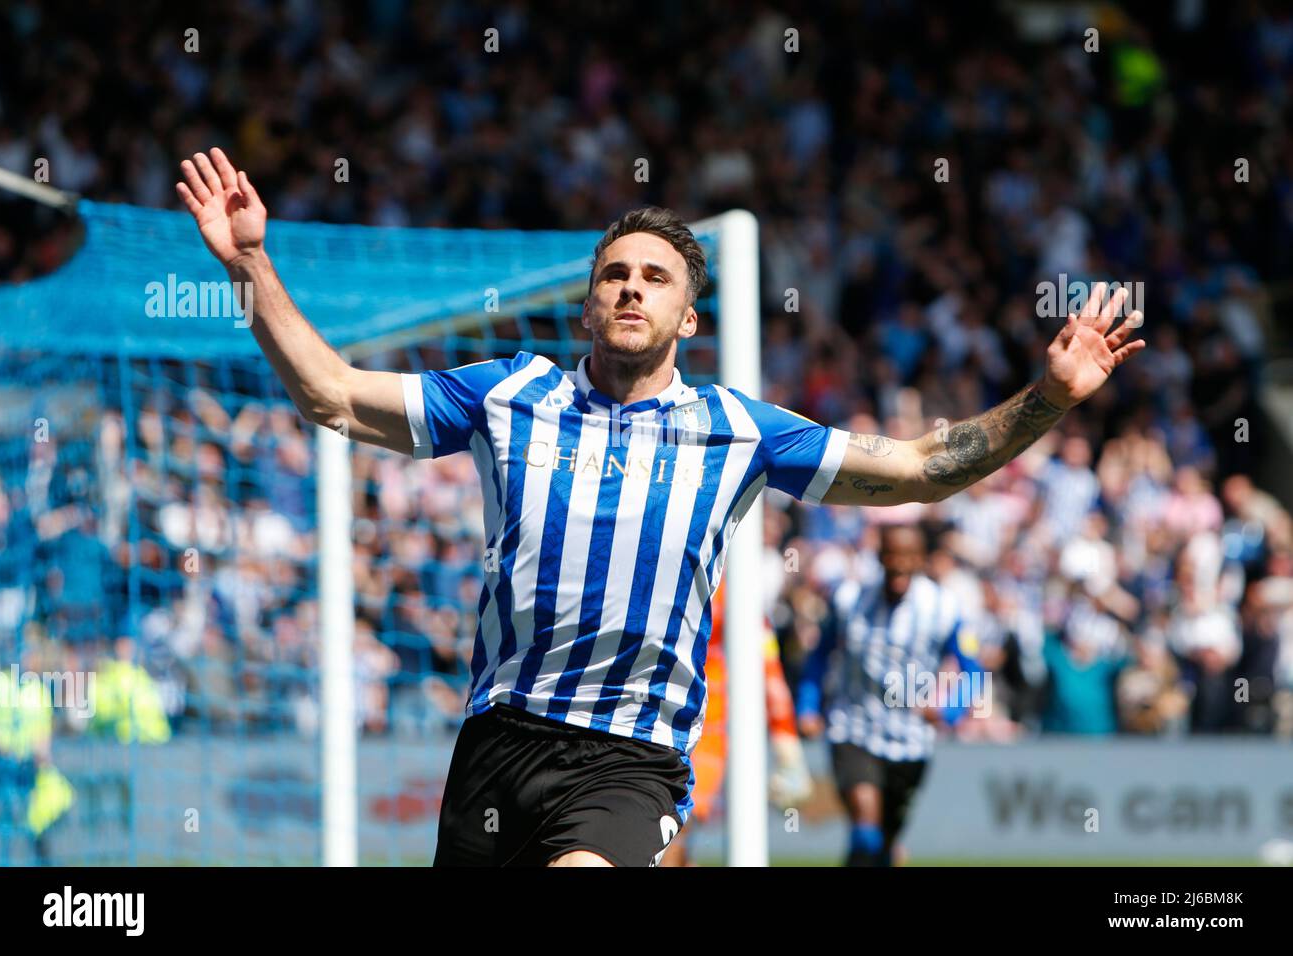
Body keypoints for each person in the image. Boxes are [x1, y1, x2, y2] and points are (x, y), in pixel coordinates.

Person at [176, 146, 1145, 866]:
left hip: (627, 756)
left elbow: (923, 466)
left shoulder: (739, 429)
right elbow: (332, 394)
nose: (630, 286)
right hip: (497, 738)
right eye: (613, 274)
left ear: (689, 316)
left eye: (654, 276)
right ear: (588, 304)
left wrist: (1048, 397)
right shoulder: (509, 394)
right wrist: (249, 265)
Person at [797, 524, 982, 866]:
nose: (899, 564)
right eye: (892, 554)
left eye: (908, 555)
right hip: (852, 728)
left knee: (882, 846)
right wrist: (808, 706)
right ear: (880, 556)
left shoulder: (942, 608)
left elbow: (974, 671)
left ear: (921, 560)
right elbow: (819, 656)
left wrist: (948, 712)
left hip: (911, 742)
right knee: (866, 829)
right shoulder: (848, 600)